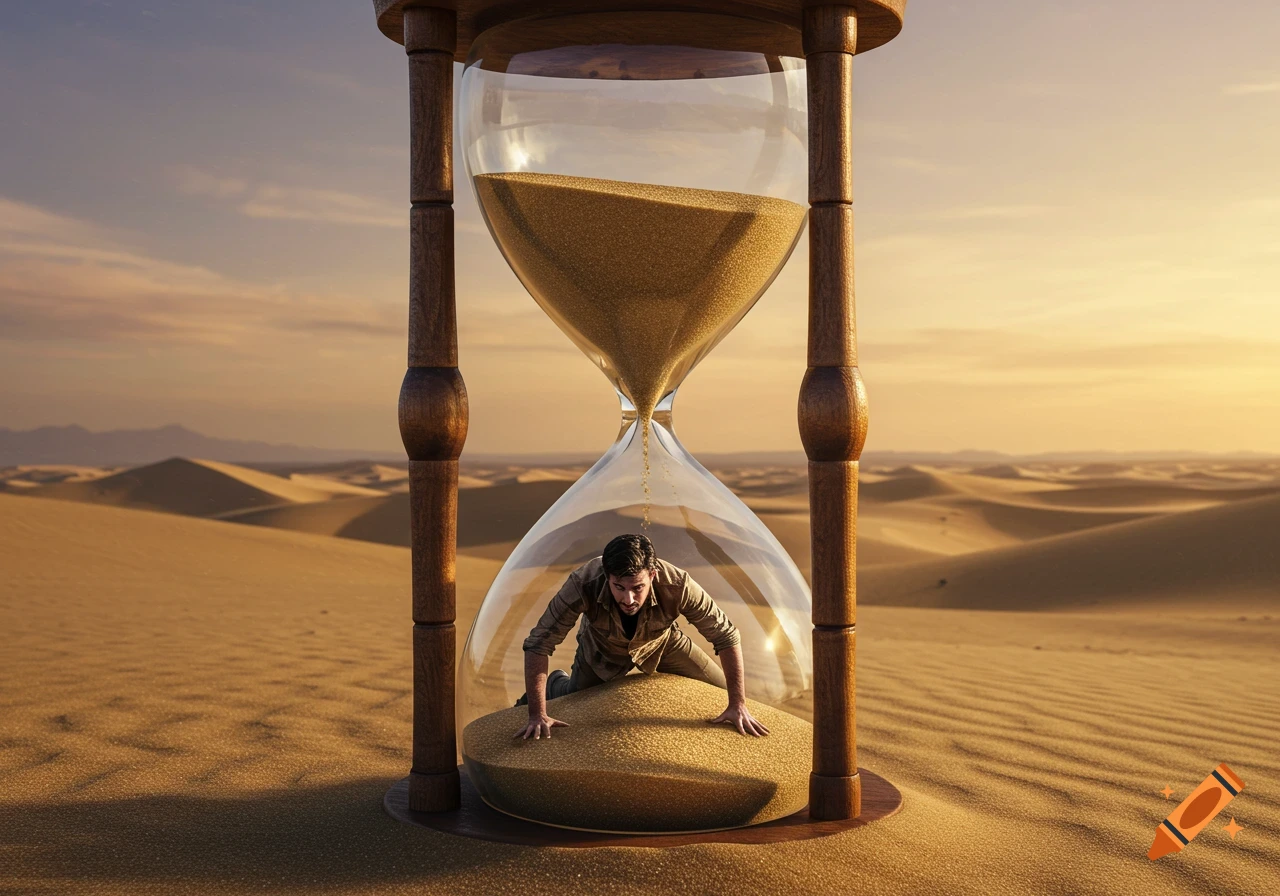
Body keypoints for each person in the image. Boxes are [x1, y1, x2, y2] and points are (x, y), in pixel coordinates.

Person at [516, 533, 770, 740]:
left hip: (662, 643)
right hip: (601, 649)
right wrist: (537, 714)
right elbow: (540, 642)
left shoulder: (678, 584)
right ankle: (555, 683)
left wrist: (737, 703)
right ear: (607, 576)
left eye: (638, 588)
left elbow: (725, 635)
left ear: (652, 574)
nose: (628, 599)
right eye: (619, 588)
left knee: (722, 691)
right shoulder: (583, 582)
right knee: (573, 697)